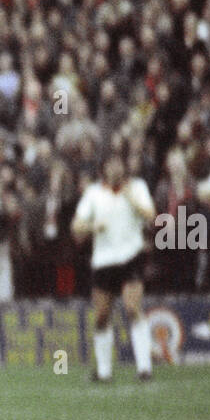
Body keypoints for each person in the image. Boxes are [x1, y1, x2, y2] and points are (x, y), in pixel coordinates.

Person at [70, 153, 157, 382]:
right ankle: (104, 372)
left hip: (131, 256)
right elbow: (76, 225)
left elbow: (151, 215)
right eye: (111, 164)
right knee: (101, 316)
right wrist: (92, 226)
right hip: (104, 260)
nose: (115, 168)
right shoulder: (94, 193)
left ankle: (144, 368)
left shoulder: (137, 187)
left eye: (119, 163)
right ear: (104, 168)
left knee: (131, 307)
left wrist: (131, 199)